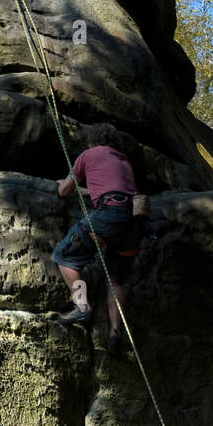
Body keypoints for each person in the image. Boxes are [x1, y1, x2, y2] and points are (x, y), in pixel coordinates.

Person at [53, 123, 145, 356]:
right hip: (132, 223)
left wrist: (65, 184)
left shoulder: (88, 155)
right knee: (115, 279)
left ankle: (82, 306)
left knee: (65, 257)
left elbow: (64, 190)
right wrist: (83, 190)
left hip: (107, 217)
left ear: (92, 140)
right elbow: (104, 188)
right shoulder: (123, 160)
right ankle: (115, 332)